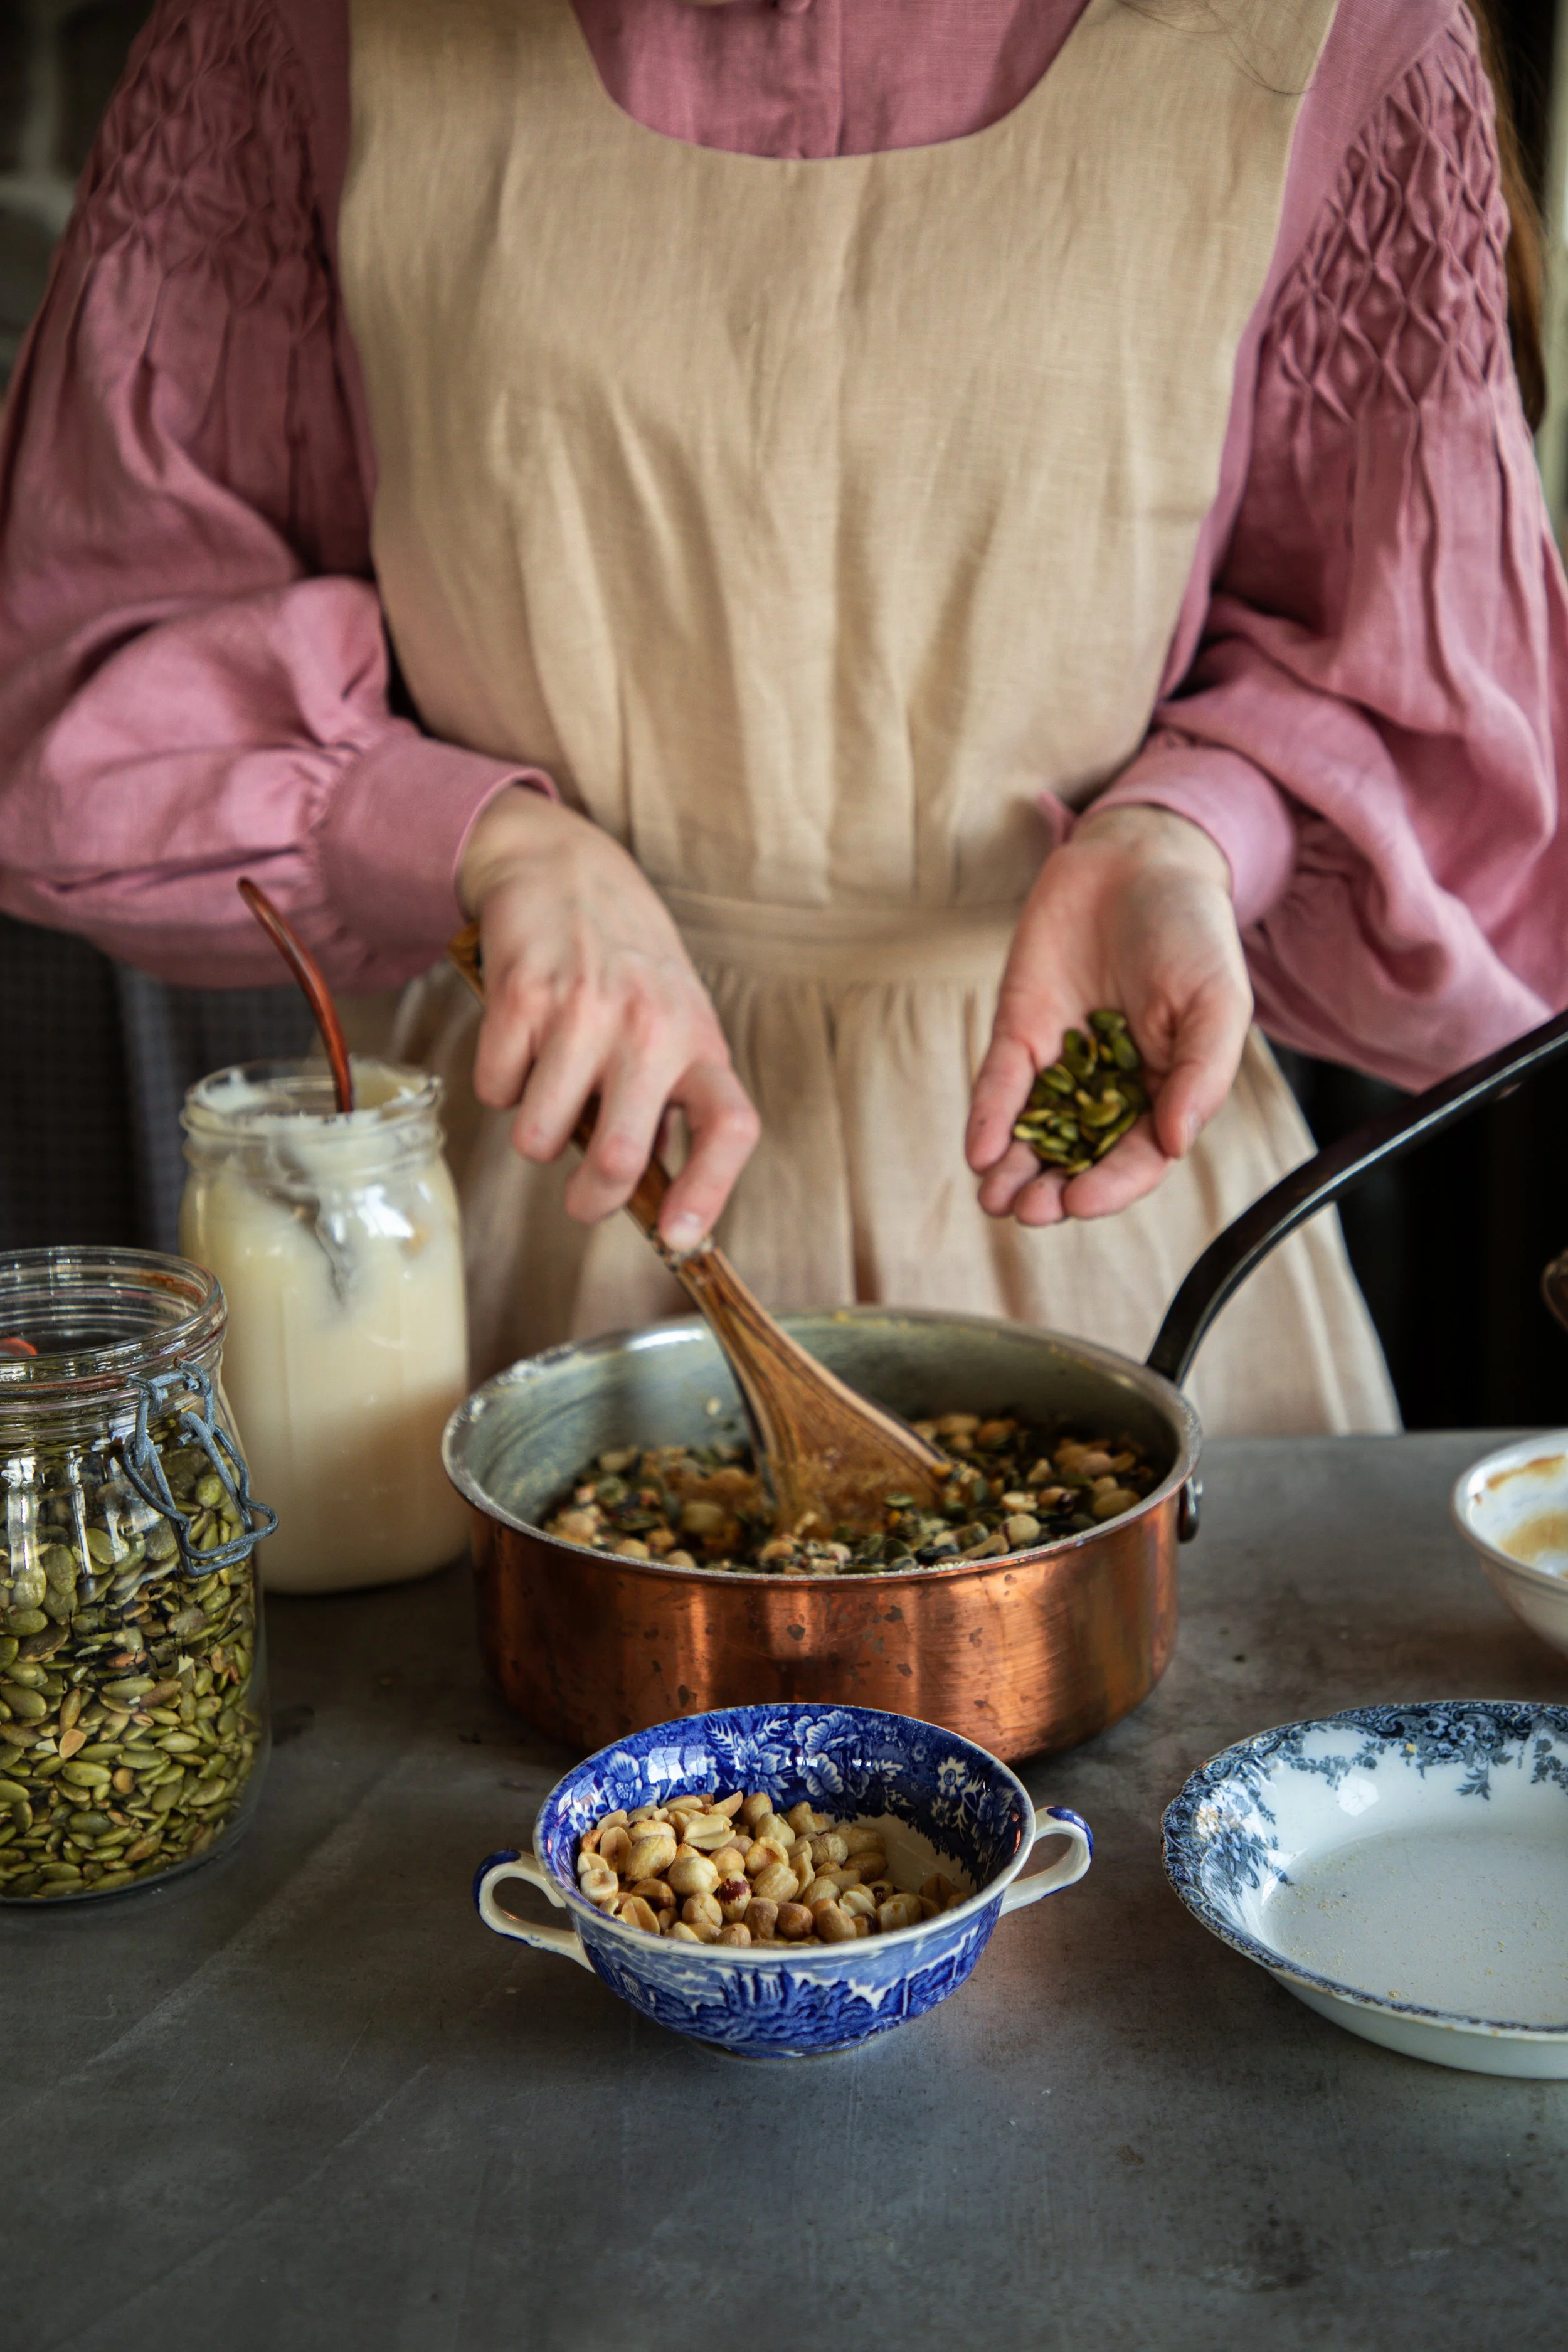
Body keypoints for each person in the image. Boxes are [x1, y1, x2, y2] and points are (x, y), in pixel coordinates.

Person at [1, 0, 1563, 1434]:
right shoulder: (295, 26)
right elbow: (97, 648)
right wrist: (480, 846)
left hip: (1107, 1229)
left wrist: (1189, 833)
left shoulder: (1332, 34)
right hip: (539, 1193)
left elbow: (1416, 690)